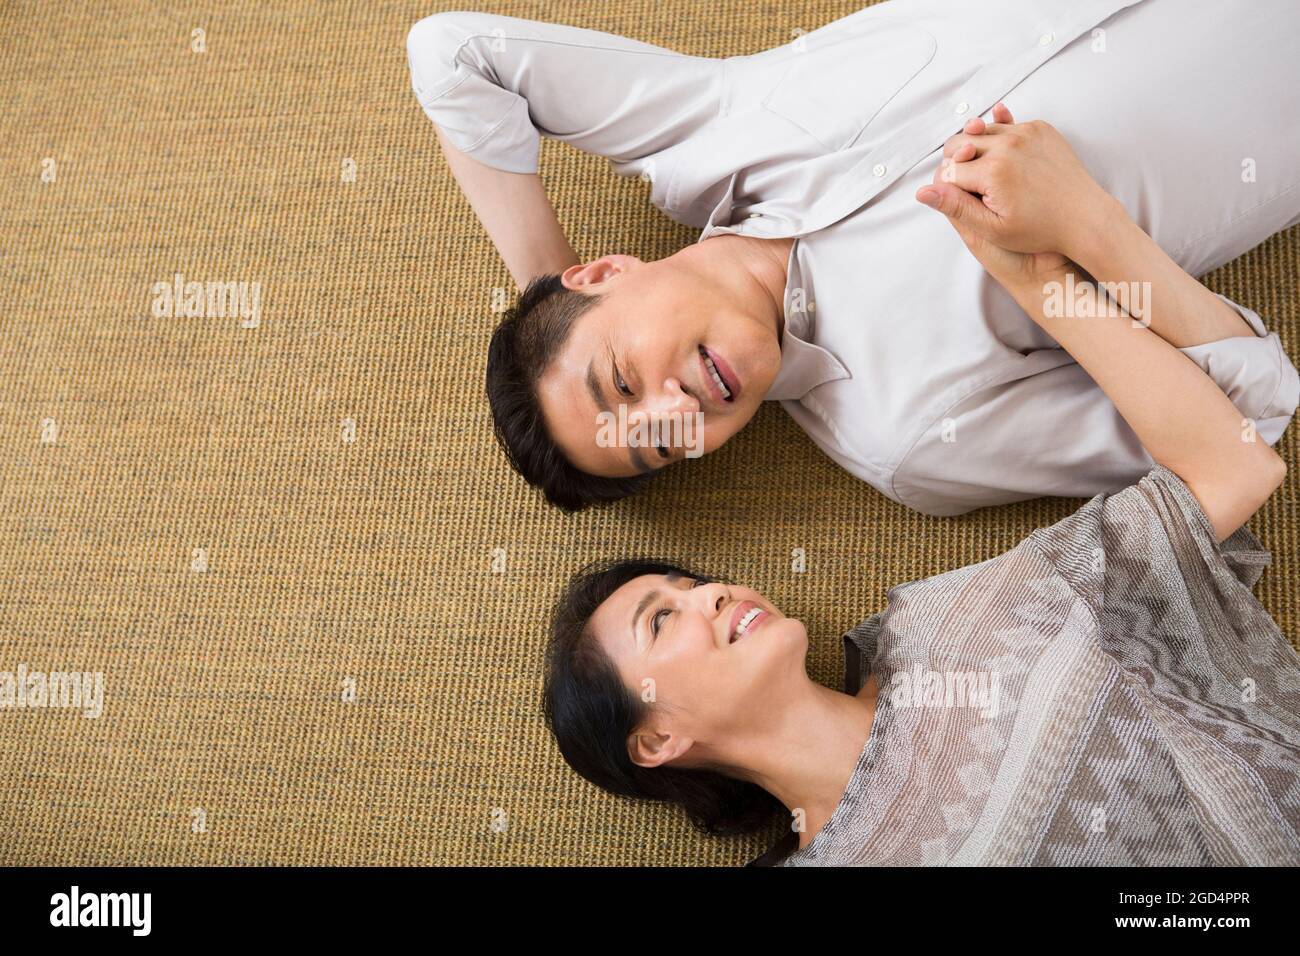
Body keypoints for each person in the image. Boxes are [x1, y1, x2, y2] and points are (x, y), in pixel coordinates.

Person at [539, 110, 1300, 865]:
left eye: (686, 584)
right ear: (657, 740)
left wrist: (1036, 269)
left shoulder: (946, 624)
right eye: (662, 622)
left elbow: (1234, 466)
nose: (708, 596)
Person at [408, 0, 1300, 513]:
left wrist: (539, 286)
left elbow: (454, 54)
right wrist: (1087, 229)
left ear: (605, 274)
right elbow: (1241, 425)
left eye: (624, 384)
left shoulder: (706, 129)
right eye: (656, 446)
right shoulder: (908, 430)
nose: (675, 415)